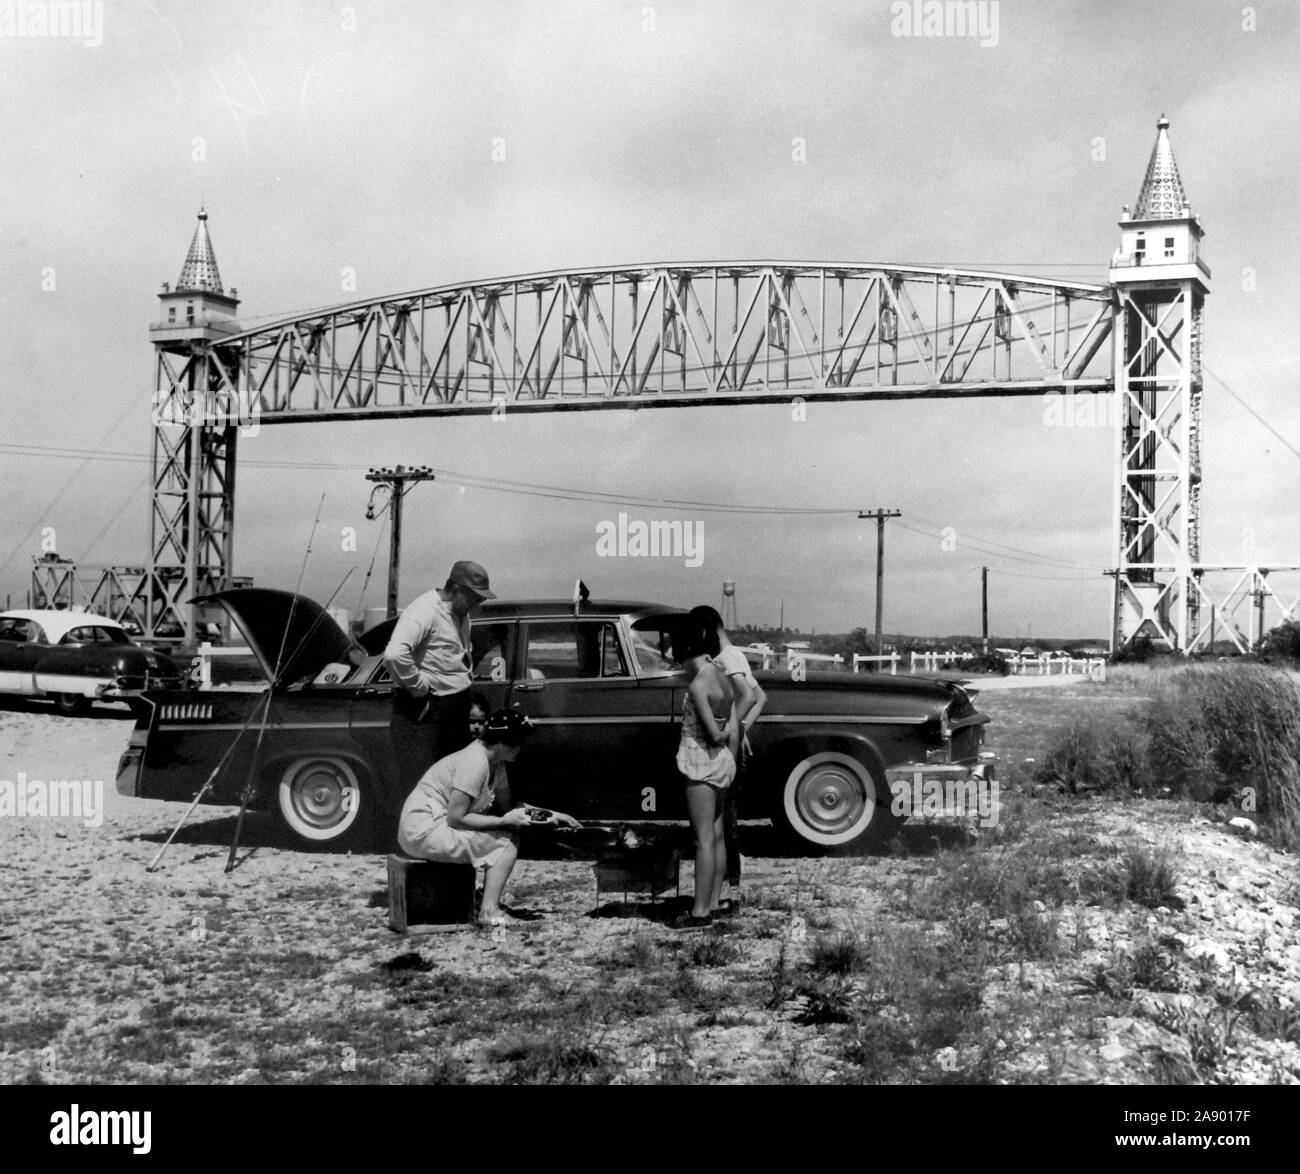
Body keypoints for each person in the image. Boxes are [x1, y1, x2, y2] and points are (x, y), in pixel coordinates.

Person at [397, 708, 580, 927]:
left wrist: (554, 816)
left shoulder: (495, 762)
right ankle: (489, 911)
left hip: (436, 825)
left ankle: (484, 901)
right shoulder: (475, 762)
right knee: (505, 840)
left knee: (506, 833)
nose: (521, 747)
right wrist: (504, 822)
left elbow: (509, 806)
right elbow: (456, 818)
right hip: (422, 829)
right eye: (518, 741)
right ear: (503, 741)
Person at [385, 560, 495, 800]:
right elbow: (394, 654)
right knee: (424, 786)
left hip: (453, 709)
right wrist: (420, 689)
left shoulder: (460, 612)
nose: (478, 605)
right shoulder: (424, 610)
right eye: (475, 598)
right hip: (427, 709)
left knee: (453, 784)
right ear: (456, 590)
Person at [689, 605, 767, 893]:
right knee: (726, 819)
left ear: (705, 631)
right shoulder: (737, 654)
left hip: (725, 747)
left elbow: (745, 696)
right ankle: (728, 886)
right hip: (734, 742)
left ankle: (726, 887)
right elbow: (761, 697)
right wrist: (743, 726)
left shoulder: (722, 659)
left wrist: (729, 726)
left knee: (723, 822)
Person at [669, 616, 737, 930]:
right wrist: (726, 742)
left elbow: (711, 732)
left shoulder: (698, 684)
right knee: (717, 836)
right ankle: (712, 903)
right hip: (722, 761)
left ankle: (698, 913)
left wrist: (718, 736)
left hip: (701, 759)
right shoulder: (721, 674)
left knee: (702, 841)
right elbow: (730, 723)